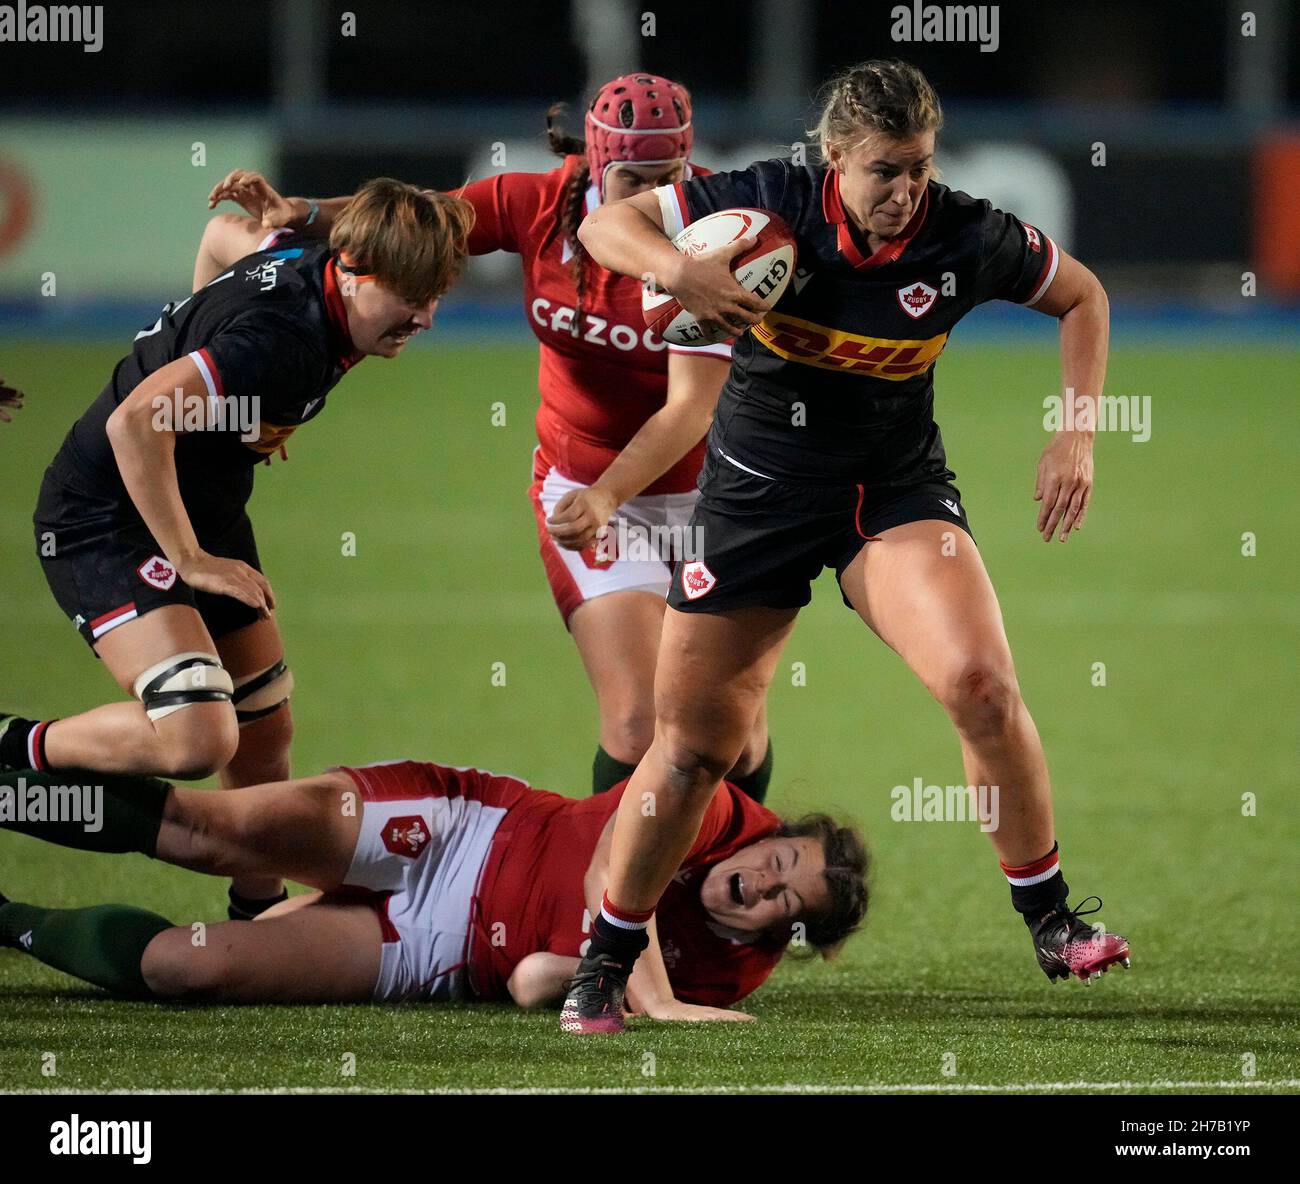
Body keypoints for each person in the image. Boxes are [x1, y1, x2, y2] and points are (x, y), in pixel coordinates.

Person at [560, 59, 1131, 1032]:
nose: (904, 190)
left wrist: (1076, 428)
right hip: (756, 496)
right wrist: (676, 267)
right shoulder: (766, 200)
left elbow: (1082, 296)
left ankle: (1050, 917)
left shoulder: (962, 232)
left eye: (917, 166)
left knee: (981, 686)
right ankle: (606, 960)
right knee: (695, 746)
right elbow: (601, 225)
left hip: (890, 492)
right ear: (833, 158)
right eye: (883, 171)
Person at [193, 74, 775, 802]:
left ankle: (729, 893)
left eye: (667, 177)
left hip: (713, 498)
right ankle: (609, 903)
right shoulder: (537, 205)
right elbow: (413, 221)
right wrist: (301, 212)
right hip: (586, 490)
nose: (648, 196)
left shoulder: (719, 231)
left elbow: (692, 408)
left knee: (732, 732)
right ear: (596, 162)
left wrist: (609, 492)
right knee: (635, 724)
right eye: (631, 177)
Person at [0, 179, 474, 923]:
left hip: (199, 505)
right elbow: (135, 425)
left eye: (435, 294)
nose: (426, 316)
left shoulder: (304, 259)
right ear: (350, 269)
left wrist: (224, 409)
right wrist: (187, 557)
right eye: (410, 295)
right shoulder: (278, 341)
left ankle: (256, 907)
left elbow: (224, 238)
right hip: (105, 517)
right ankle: (15, 747)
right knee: (196, 736)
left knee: (264, 730)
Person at [0, 761, 867, 1020]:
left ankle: (4, 919)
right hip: (465, 831)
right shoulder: (713, 807)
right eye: (779, 865)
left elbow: (532, 980)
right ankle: (14, 773)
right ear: (772, 834)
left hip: (441, 954)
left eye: (784, 906)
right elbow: (615, 859)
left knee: (178, 970)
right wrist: (664, 1007)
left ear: (779, 937)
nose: (760, 885)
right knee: (210, 832)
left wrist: (667, 999)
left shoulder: (726, 972)